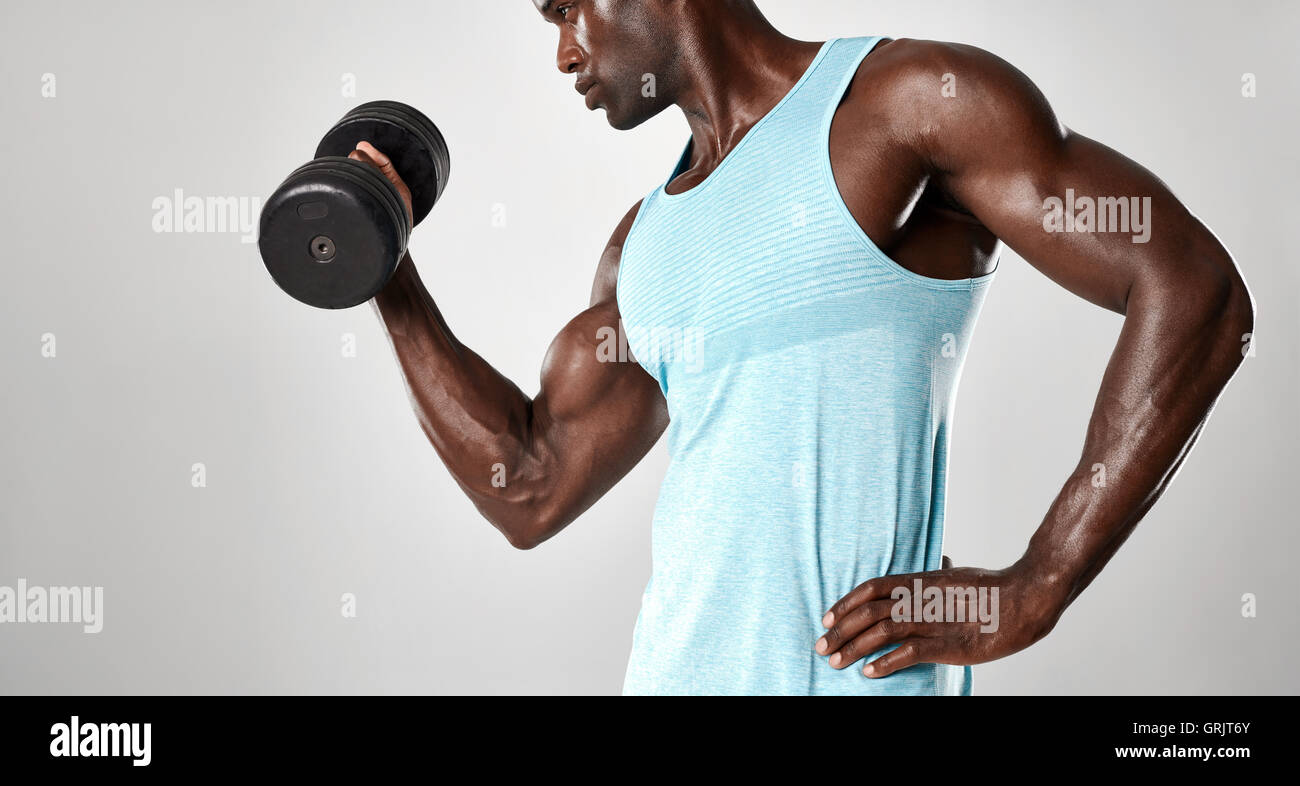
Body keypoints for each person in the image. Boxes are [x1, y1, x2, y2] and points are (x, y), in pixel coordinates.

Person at [346, 0, 1254, 695]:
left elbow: (1192, 291)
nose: (566, 53)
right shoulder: (642, 246)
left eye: (569, 6)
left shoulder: (904, 106)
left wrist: (1040, 580)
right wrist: (386, 272)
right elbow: (534, 485)